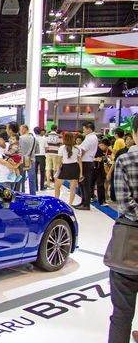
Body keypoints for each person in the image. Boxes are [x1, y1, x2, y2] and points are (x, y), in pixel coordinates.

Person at [108, 116, 138, 343]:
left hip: (129, 244)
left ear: (134, 133)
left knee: (122, 315)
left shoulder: (126, 160)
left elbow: (125, 204)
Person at [53, 133, 82, 207]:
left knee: (57, 186)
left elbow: (59, 161)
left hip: (65, 167)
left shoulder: (62, 148)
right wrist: (81, 172)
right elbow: (80, 161)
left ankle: (57, 201)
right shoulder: (78, 148)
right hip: (75, 167)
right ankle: (70, 204)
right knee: (73, 188)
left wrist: (57, 171)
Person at [76, 122, 98, 211]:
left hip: (86, 162)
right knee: (82, 184)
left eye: (84, 129)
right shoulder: (91, 137)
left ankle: (86, 204)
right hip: (86, 162)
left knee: (85, 184)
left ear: (89, 129)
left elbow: (82, 151)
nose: (83, 131)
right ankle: (83, 202)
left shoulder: (91, 138)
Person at [19, 124, 38, 195]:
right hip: (31, 160)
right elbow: (37, 151)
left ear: (24, 129)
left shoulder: (20, 138)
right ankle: (33, 194)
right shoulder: (35, 139)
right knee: (32, 179)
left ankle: (22, 194)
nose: (20, 131)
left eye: (20, 129)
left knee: (22, 179)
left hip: (22, 160)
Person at [92, 138, 111, 206]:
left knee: (100, 185)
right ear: (102, 145)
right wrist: (95, 159)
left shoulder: (104, 151)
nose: (106, 148)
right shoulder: (94, 150)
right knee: (92, 184)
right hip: (93, 169)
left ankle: (102, 201)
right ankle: (92, 197)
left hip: (100, 170)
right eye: (105, 147)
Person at [45, 124, 63, 189]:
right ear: (56, 129)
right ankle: (56, 184)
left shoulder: (46, 135)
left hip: (48, 153)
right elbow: (61, 144)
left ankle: (48, 184)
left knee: (48, 168)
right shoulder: (59, 136)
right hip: (56, 153)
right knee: (55, 169)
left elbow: (45, 144)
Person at [34, 127, 47, 191]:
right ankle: (42, 187)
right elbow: (46, 147)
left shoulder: (33, 138)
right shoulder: (44, 139)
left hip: (34, 156)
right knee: (42, 172)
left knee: (35, 172)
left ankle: (35, 187)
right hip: (42, 156)